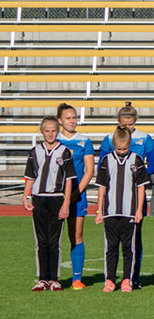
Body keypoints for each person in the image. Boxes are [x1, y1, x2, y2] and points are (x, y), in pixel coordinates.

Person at [93, 127, 149, 292]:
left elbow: (140, 188)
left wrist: (139, 210)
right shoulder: (106, 161)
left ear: (130, 145)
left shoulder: (137, 160)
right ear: (113, 146)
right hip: (110, 212)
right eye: (119, 149)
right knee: (110, 247)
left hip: (129, 212)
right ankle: (110, 280)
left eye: (125, 148)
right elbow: (102, 188)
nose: (122, 151)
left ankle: (127, 279)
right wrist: (99, 211)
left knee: (128, 248)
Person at [26, 117, 77, 291]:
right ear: (41, 131)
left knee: (54, 240)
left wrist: (66, 203)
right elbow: (30, 176)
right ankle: (42, 278)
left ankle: (54, 278)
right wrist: (26, 197)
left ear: (58, 131)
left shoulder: (64, 152)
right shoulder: (35, 151)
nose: (50, 133)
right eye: (47, 130)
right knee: (41, 240)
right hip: (39, 199)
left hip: (57, 199)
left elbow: (69, 180)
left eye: (53, 130)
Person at [112, 104, 154, 283]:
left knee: (134, 238)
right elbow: (104, 164)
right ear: (118, 123)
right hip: (115, 197)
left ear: (135, 122)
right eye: (124, 125)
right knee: (114, 240)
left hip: (135, 196)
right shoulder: (111, 138)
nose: (128, 129)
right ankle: (112, 277)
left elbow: (153, 164)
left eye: (131, 125)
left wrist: (138, 177)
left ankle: (133, 277)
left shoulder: (144, 138)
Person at [54, 103, 94, 289]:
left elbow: (89, 170)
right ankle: (50, 277)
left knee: (76, 236)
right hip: (54, 196)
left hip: (78, 196)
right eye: (68, 118)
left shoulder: (84, 141)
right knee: (52, 237)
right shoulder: (54, 140)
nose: (72, 121)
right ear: (60, 120)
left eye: (74, 117)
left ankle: (76, 279)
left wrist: (77, 192)